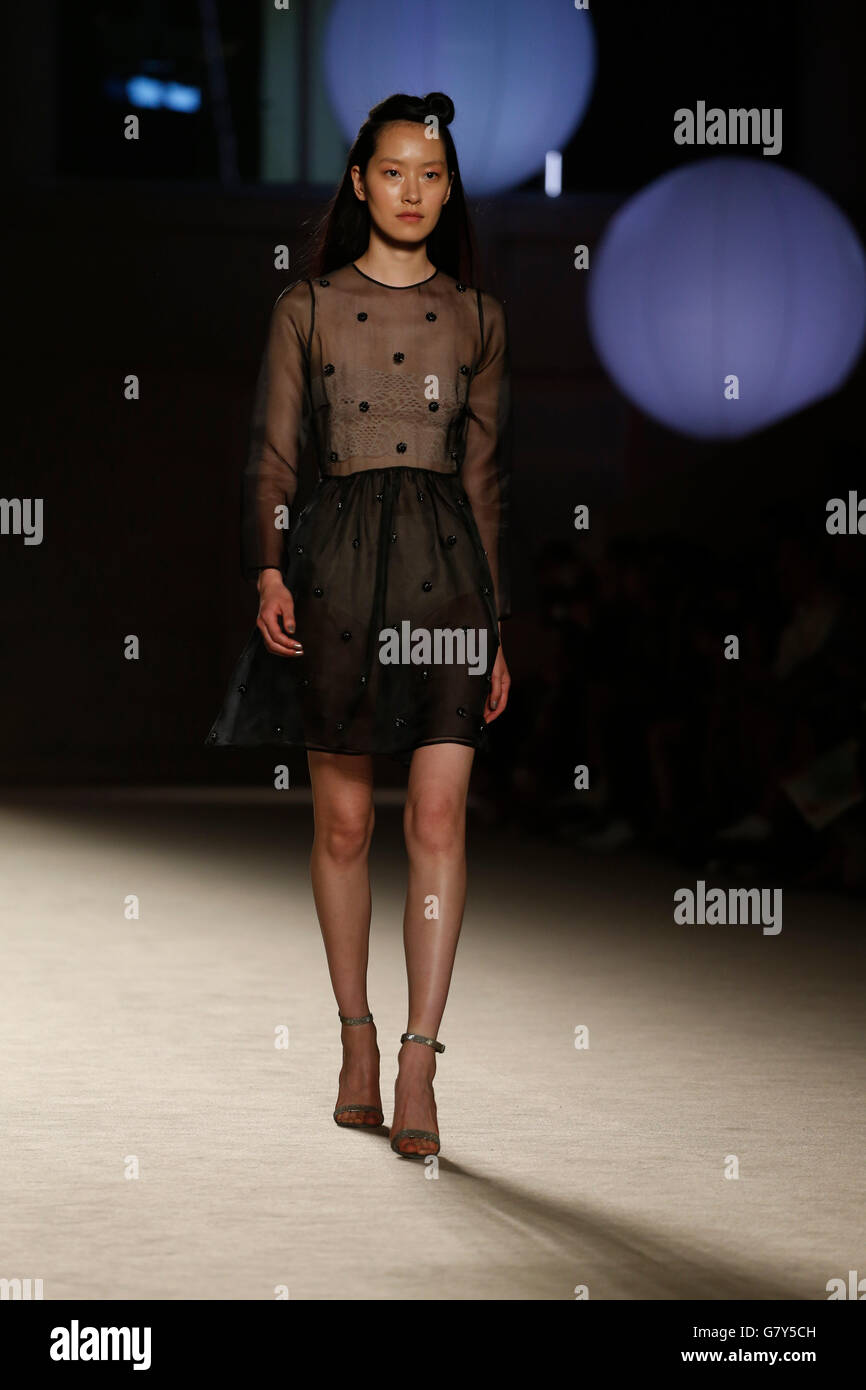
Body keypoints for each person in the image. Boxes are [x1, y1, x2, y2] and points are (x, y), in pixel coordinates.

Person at [206, 92, 513, 1159]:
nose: (413, 191)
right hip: (333, 564)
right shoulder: (306, 307)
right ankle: (354, 1036)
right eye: (393, 172)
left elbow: (484, 480)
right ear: (358, 182)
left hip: (446, 578)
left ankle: (421, 1056)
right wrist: (265, 568)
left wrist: (498, 625)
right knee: (343, 826)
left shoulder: (476, 315)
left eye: (431, 173)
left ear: (447, 185)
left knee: (438, 820)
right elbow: (271, 456)